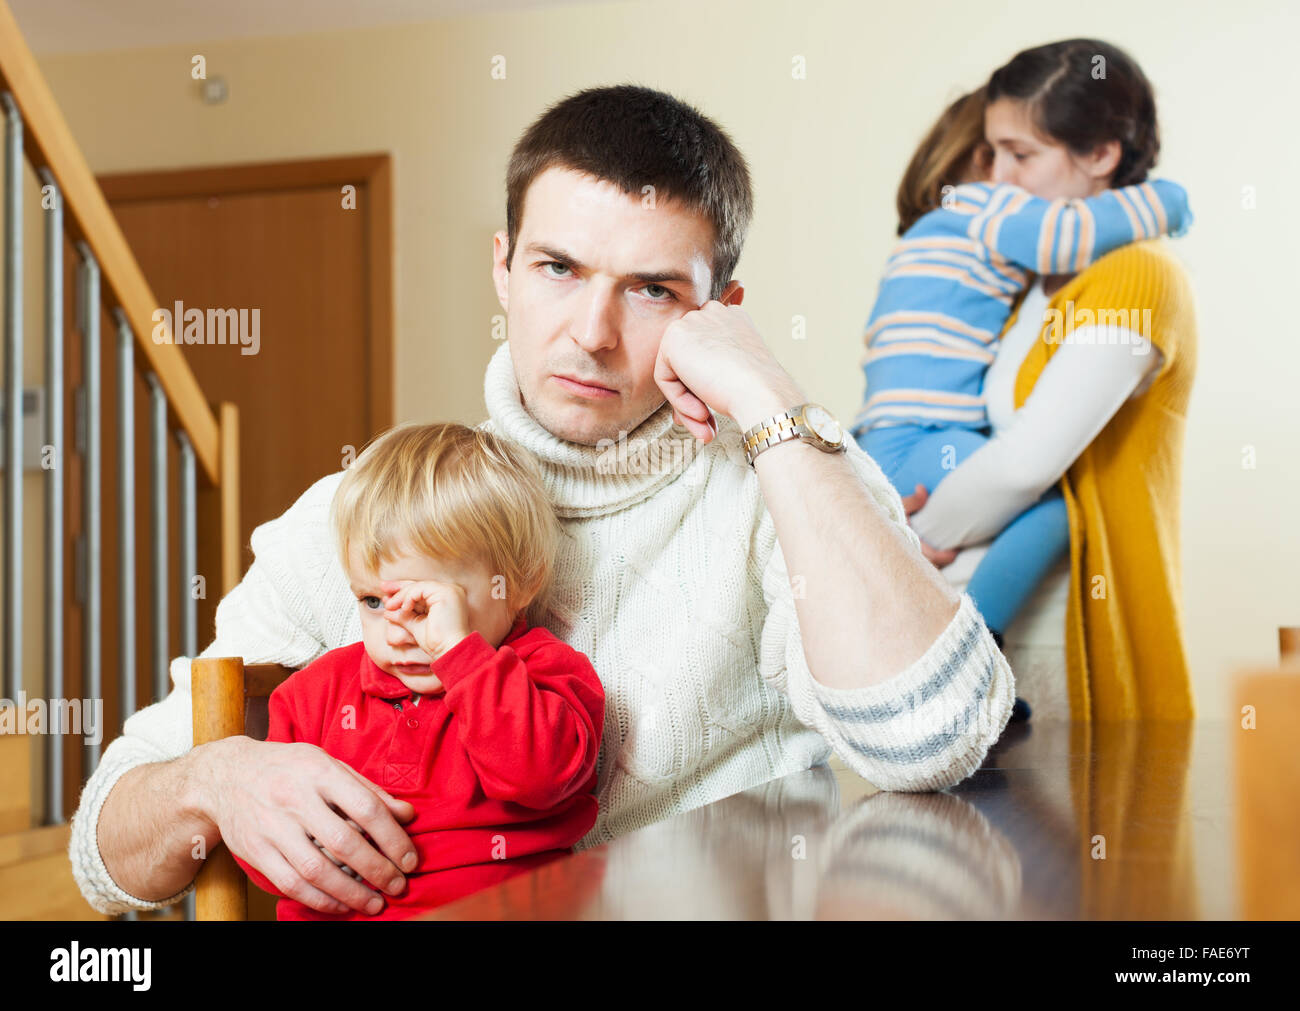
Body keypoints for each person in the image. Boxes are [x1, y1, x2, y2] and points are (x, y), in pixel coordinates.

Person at [69, 84, 1014, 919]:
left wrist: (770, 401)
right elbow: (99, 857)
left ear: (717, 307)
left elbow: (936, 741)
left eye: (650, 290)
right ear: (504, 268)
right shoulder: (360, 512)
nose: (592, 334)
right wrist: (212, 778)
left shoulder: (779, 475)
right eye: (557, 268)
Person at [850, 85, 1192, 717]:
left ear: (1099, 153)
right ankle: (973, 661)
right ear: (974, 166)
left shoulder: (1113, 274)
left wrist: (878, 524)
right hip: (920, 464)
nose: (1009, 176)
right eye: (998, 154)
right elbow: (1069, 233)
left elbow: (1015, 460)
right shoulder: (992, 229)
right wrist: (878, 534)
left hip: (903, 454)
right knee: (1058, 511)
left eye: (1021, 153)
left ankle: (970, 663)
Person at [227, 422, 606, 920]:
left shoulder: (544, 672)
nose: (399, 631)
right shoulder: (315, 695)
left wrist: (459, 655)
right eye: (372, 601)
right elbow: (267, 839)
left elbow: (539, 777)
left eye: (427, 606)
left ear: (517, 583)